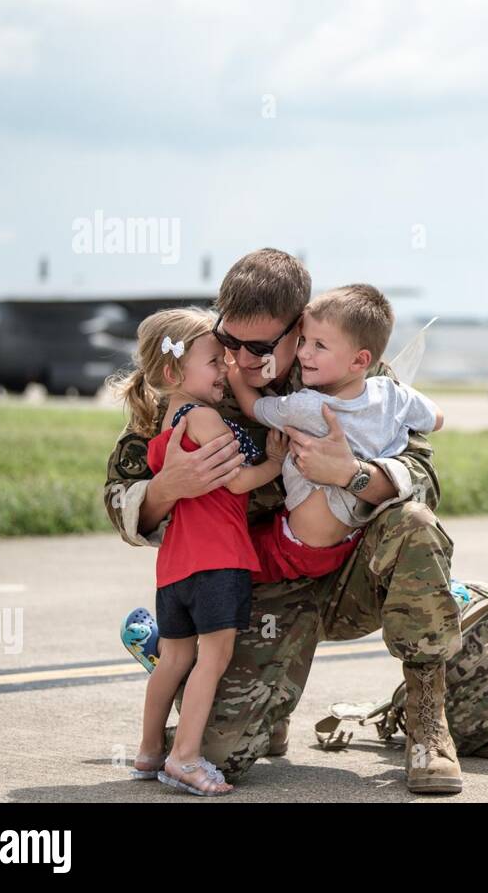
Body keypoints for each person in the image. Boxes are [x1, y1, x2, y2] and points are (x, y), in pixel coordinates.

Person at [104, 249, 464, 794]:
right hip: (255, 584)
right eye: (230, 341)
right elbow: (118, 493)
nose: (242, 361)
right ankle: (177, 657)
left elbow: (424, 475)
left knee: (414, 523)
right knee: (221, 753)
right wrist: (164, 489)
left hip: (347, 574)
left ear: (299, 327)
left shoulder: (346, 365)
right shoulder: (201, 379)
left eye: (260, 347)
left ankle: (427, 723)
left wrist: (353, 475)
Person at [109, 307, 287, 796]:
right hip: (217, 560)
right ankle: (184, 758)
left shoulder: (163, 430)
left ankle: (148, 752)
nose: (226, 369)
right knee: (215, 659)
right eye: (214, 361)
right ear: (173, 372)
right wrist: (273, 459)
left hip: (175, 568)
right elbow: (239, 477)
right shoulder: (206, 417)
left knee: (174, 659)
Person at [228, 284, 444, 578]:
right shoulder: (393, 393)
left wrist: (234, 373)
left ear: (359, 360)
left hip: (293, 549)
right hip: (348, 543)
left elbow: (255, 408)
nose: (304, 352)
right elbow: (436, 418)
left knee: (224, 558)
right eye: (303, 340)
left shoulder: (308, 407)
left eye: (319, 346)